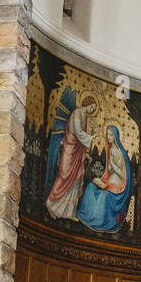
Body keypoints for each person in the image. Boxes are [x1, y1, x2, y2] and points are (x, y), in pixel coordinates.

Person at [45, 92, 98, 220]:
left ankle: (68, 212)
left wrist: (86, 154)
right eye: (92, 107)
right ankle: (50, 203)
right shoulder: (77, 113)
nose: (92, 110)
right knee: (64, 176)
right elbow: (78, 133)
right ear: (87, 103)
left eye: (94, 109)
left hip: (77, 152)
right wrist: (92, 137)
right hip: (70, 149)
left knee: (75, 180)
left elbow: (81, 138)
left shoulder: (84, 116)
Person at [77, 125, 133, 233]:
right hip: (108, 182)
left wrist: (114, 167)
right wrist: (101, 181)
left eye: (111, 134)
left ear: (116, 136)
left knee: (104, 195)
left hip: (118, 189)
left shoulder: (120, 152)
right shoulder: (110, 149)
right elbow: (108, 172)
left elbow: (123, 176)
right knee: (90, 187)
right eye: (107, 134)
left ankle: (99, 222)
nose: (108, 137)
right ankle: (88, 216)